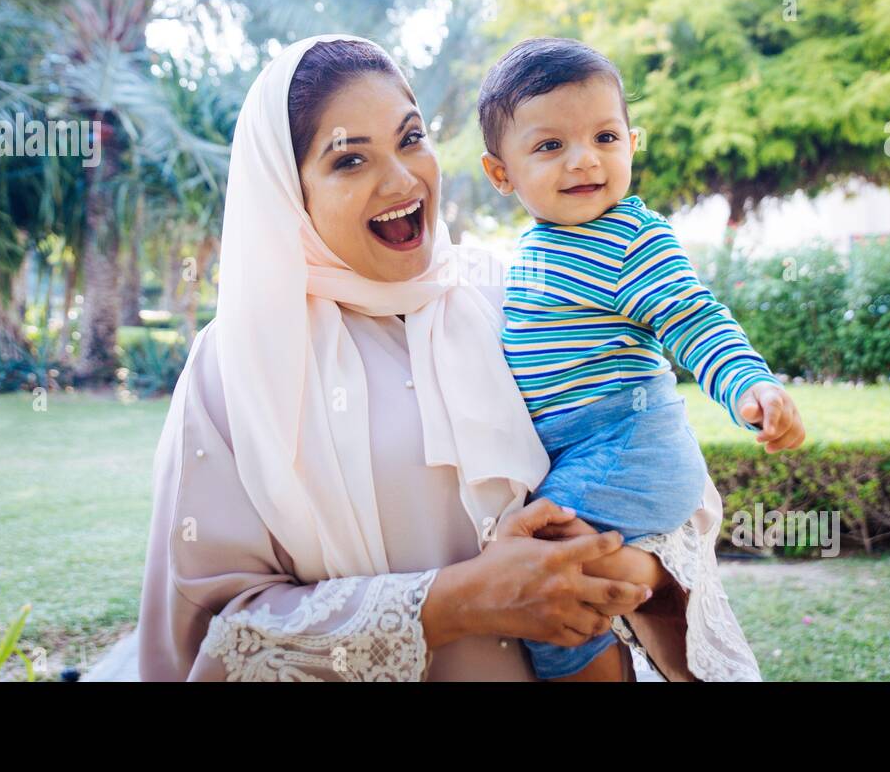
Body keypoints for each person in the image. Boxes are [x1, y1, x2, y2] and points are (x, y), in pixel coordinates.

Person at [136, 33, 763, 682]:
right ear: (289, 192)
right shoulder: (235, 366)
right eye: (350, 160)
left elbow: (660, 470)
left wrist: (612, 570)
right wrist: (458, 601)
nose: (403, 179)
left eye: (411, 139)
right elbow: (215, 633)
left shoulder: (510, 292)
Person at [477, 37, 805, 681]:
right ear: (501, 174)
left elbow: (696, 319)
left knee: (541, 576)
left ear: (631, 141)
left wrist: (749, 387)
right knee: (553, 577)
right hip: (593, 453)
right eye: (550, 145)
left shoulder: (632, 236)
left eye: (604, 136)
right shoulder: (538, 245)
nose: (583, 161)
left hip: (628, 447)